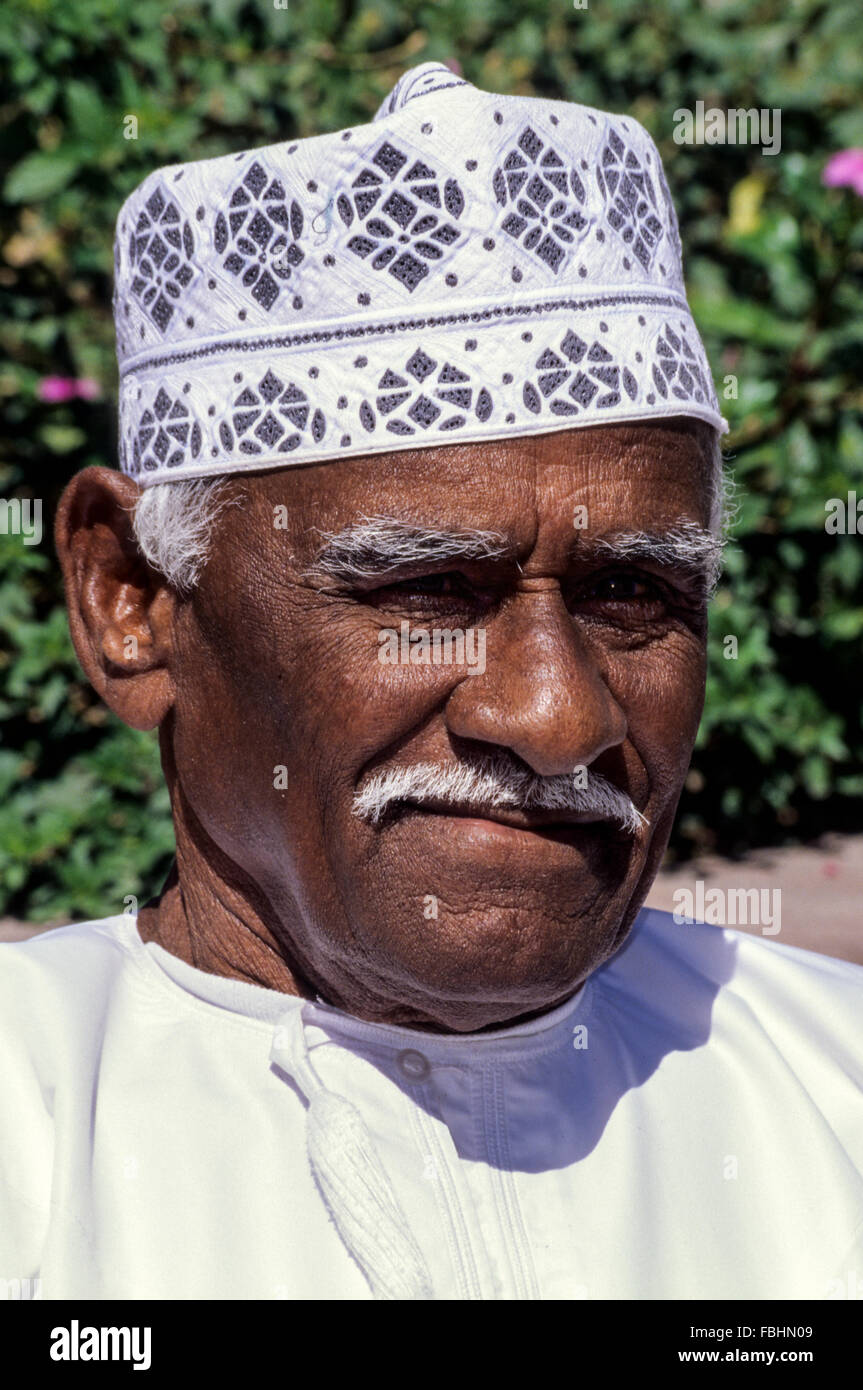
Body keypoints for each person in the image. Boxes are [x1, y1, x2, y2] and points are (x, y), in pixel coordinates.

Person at [1, 62, 860, 1301]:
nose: (557, 716)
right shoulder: (36, 1136)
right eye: (423, 593)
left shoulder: (827, 1086)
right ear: (133, 599)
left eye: (629, 594)